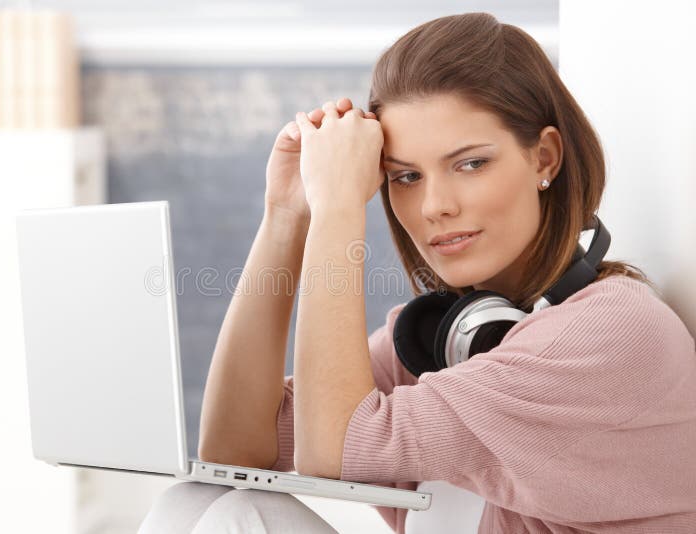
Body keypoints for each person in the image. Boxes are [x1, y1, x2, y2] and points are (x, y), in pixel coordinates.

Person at [141, 12, 696, 534]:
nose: (435, 207)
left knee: (238, 519)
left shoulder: (608, 335)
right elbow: (235, 451)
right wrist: (286, 214)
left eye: (471, 163)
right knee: (194, 500)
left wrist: (338, 208)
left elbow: (331, 453)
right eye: (406, 176)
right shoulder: (447, 338)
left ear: (544, 158)